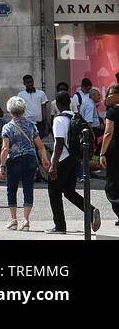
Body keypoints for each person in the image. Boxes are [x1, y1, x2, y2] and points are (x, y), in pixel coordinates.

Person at [46, 91, 101, 234]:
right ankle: (91, 210)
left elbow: (59, 143)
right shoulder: (76, 116)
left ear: (57, 105)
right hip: (76, 159)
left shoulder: (59, 120)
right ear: (69, 103)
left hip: (62, 159)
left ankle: (60, 226)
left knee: (54, 191)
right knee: (69, 192)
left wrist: (53, 165)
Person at [0, 95, 51, 231]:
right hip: (30, 159)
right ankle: (26, 220)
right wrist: (45, 159)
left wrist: (1, 166)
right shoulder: (31, 125)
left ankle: (13, 219)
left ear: (10, 111)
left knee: (12, 189)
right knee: (28, 187)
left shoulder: (7, 127)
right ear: (23, 110)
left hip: (14, 160)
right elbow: (40, 146)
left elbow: (5, 148)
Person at [99, 84, 119, 225]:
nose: (108, 97)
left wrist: (102, 153)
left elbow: (108, 133)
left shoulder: (112, 112)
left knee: (112, 185)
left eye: (110, 94)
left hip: (115, 150)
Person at [15, 74, 51, 139]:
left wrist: (46, 126)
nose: (30, 84)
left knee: (37, 143)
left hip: (39, 124)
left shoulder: (41, 93)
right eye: (27, 82)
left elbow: (44, 109)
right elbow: (19, 111)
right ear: (24, 83)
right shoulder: (20, 95)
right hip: (27, 124)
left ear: (33, 82)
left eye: (31, 82)